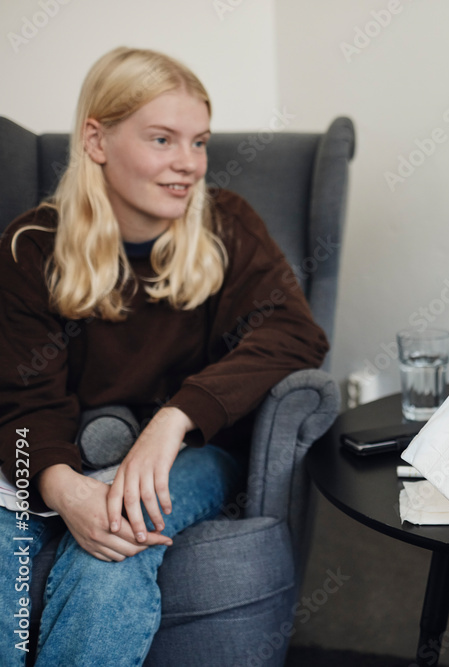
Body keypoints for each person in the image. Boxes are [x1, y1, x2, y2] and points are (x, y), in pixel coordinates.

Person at [0, 47, 328, 665]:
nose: (189, 163)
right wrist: (61, 487)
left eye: (199, 142)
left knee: (116, 545)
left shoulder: (226, 225)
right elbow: (21, 402)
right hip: (61, 452)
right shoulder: (30, 248)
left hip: (194, 452)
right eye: (162, 139)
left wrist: (176, 418)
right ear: (96, 140)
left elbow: (294, 332)